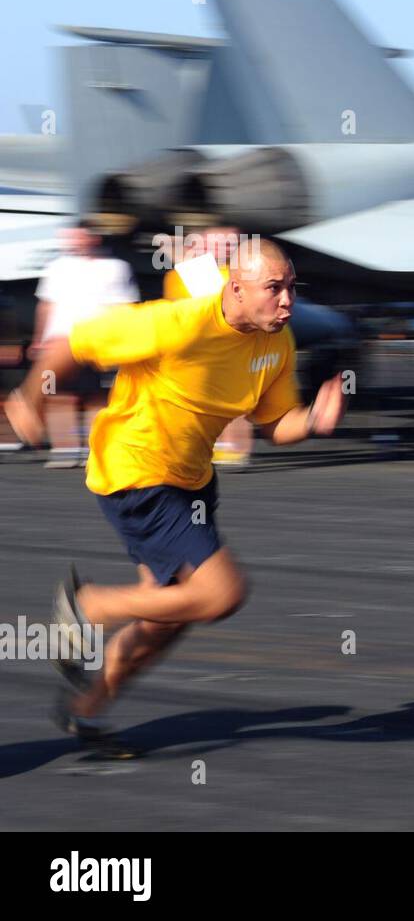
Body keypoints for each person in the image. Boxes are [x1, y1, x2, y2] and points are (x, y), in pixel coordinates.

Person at [4, 238, 346, 750]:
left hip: (190, 479)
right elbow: (75, 342)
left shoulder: (276, 344)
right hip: (136, 470)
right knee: (221, 594)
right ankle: (89, 606)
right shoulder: (178, 323)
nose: (287, 301)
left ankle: (87, 709)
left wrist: (314, 420)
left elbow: (274, 422)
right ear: (236, 288)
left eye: (292, 289)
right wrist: (27, 398)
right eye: (274, 288)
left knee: (171, 611)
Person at [30, 222, 139, 468]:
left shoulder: (116, 268)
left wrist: (123, 342)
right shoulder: (55, 267)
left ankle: (95, 451)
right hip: (59, 343)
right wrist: (40, 338)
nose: (74, 241)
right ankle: (64, 451)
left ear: (94, 238)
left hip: (98, 342)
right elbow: (46, 304)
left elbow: (125, 307)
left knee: (97, 398)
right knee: (59, 396)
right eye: (71, 237)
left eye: (80, 237)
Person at [164, 226, 255, 469]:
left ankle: (235, 450)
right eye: (218, 242)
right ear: (199, 244)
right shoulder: (183, 274)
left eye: (230, 242)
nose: (226, 247)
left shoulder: (243, 274)